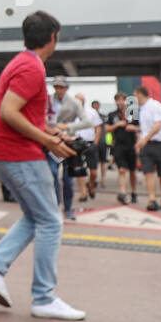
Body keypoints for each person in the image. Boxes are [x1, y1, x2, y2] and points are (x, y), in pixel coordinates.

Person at [0, 11, 85, 321]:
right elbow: (9, 112)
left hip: (5, 150)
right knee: (51, 220)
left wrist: (52, 133)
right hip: (18, 152)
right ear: (52, 37)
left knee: (36, 216)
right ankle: (44, 297)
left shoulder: (21, 62)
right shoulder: (32, 67)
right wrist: (48, 140)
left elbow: (19, 114)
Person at [50, 77, 95, 220]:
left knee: (68, 178)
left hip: (68, 141)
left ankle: (68, 208)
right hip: (51, 141)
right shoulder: (47, 100)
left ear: (66, 88)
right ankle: (55, 206)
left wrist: (68, 126)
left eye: (61, 87)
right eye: (56, 87)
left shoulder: (74, 103)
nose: (58, 90)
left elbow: (87, 122)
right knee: (52, 174)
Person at [133, 85, 161, 211]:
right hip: (147, 145)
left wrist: (145, 139)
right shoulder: (141, 109)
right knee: (148, 171)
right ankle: (152, 199)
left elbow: (158, 125)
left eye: (135, 95)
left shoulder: (155, 106)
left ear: (140, 94)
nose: (134, 98)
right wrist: (139, 141)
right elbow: (145, 129)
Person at [105, 92, 139, 205]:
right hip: (119, 146)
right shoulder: (112, 115)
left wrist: (134, 128)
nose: (119, 102)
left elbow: (140, 127)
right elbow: (106, 129)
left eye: (122, 100)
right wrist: (117, 125)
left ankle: (134, 192)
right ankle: (123, 193)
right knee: (121, 170)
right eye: (117, 100)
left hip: (131, 145)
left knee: (132, 171)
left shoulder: (132, 113)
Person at [75, 94, 101, 201]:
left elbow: (98, 128)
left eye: (80, 100)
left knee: (93, 172)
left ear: (84, 101)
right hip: (77, 143)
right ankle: (83, 192)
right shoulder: (71, 112)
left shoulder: (92, 112)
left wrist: (95, 143)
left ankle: (90, 185)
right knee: (79, 169)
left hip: (90, 143)